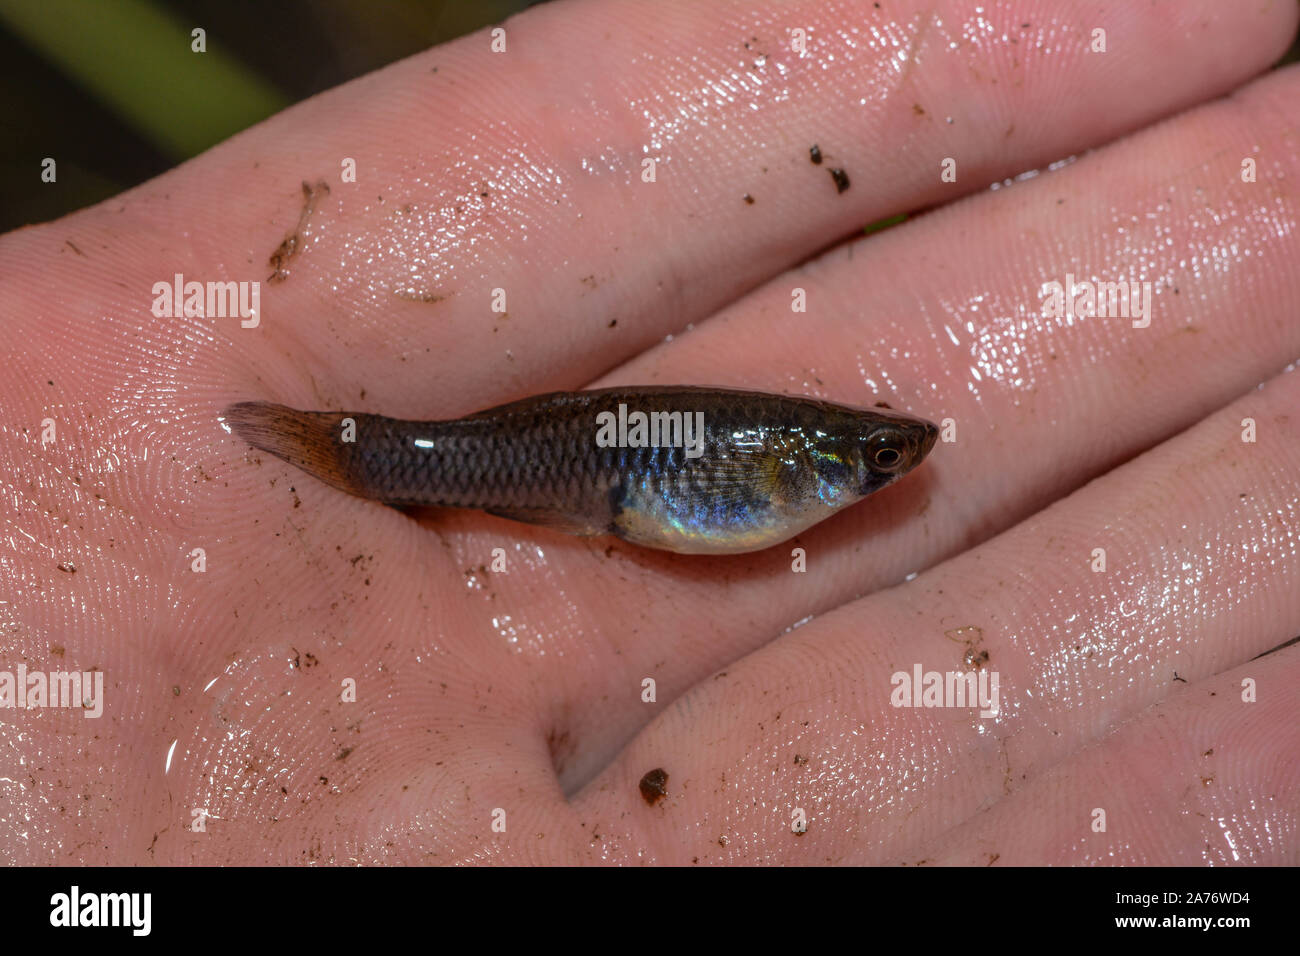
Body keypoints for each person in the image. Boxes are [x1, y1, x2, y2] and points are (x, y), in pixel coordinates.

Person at [2, 0, 1297, 865]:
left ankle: (377, 455)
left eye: (883, 459)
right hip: (599, 481)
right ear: (835, 463)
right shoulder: (801, 464)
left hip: (603, 482)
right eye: (879, 461)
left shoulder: (799, 468)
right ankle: (371, 456)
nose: (893, 473)